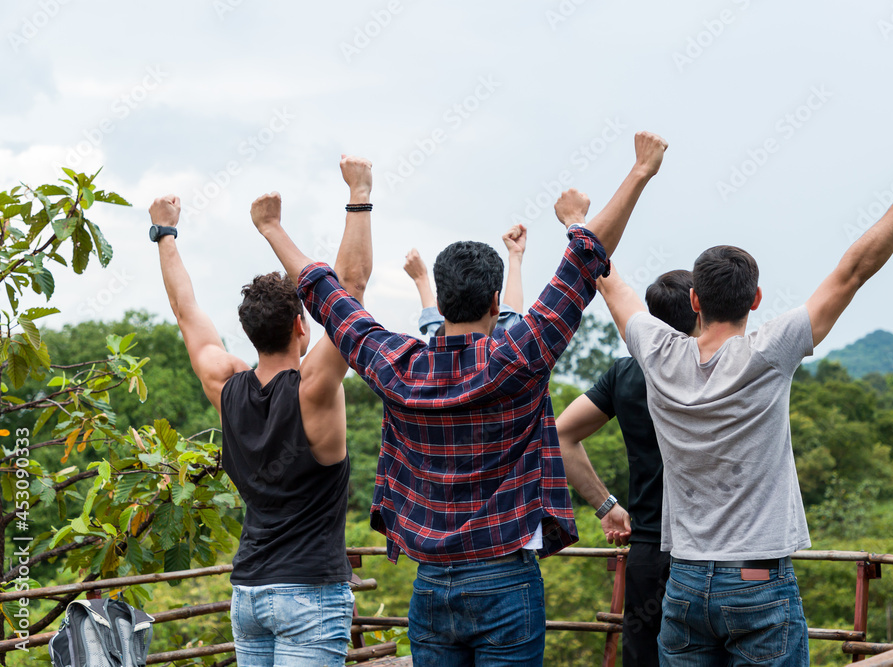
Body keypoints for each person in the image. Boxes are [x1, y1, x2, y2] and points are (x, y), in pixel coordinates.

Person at [250, 131, 668, 666]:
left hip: (430, 586)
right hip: (506, 580)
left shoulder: (398, 365)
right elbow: (583, 265)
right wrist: (636, 174)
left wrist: (273, 228)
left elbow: (325, 294)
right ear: (497, 301)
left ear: (439, 301)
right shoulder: (518, 356)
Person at [597, 151, 893, 666]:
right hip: (758, 580)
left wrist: (580, 218)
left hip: (686, 580)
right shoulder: (768, 352)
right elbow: (853, 272)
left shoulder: (656, 354)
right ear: (756, 298)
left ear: (694, 301)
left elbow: (604, 275)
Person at [148, 154, 375, 667]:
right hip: (310, 595)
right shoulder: (314, 388)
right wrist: (359, 193)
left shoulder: (224, 385)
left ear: (250, 333)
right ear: (302, 326)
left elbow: (187, 313)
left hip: (248, 592)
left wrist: (164, 231)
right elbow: (351, 291)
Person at [555, 186, 699, 667]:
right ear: (700, 310)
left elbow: (560, 434)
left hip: (648, 553)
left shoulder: (626, 372)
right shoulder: (721, 366)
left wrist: (606, 504)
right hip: (713, 553)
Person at [404, 222, 527, 337]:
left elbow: (435, 326)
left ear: (439, 306)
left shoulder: (428, 355)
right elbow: (511, 322)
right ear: (495, 304)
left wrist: (421, 278)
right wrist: (515, 256)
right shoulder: (506, 354)